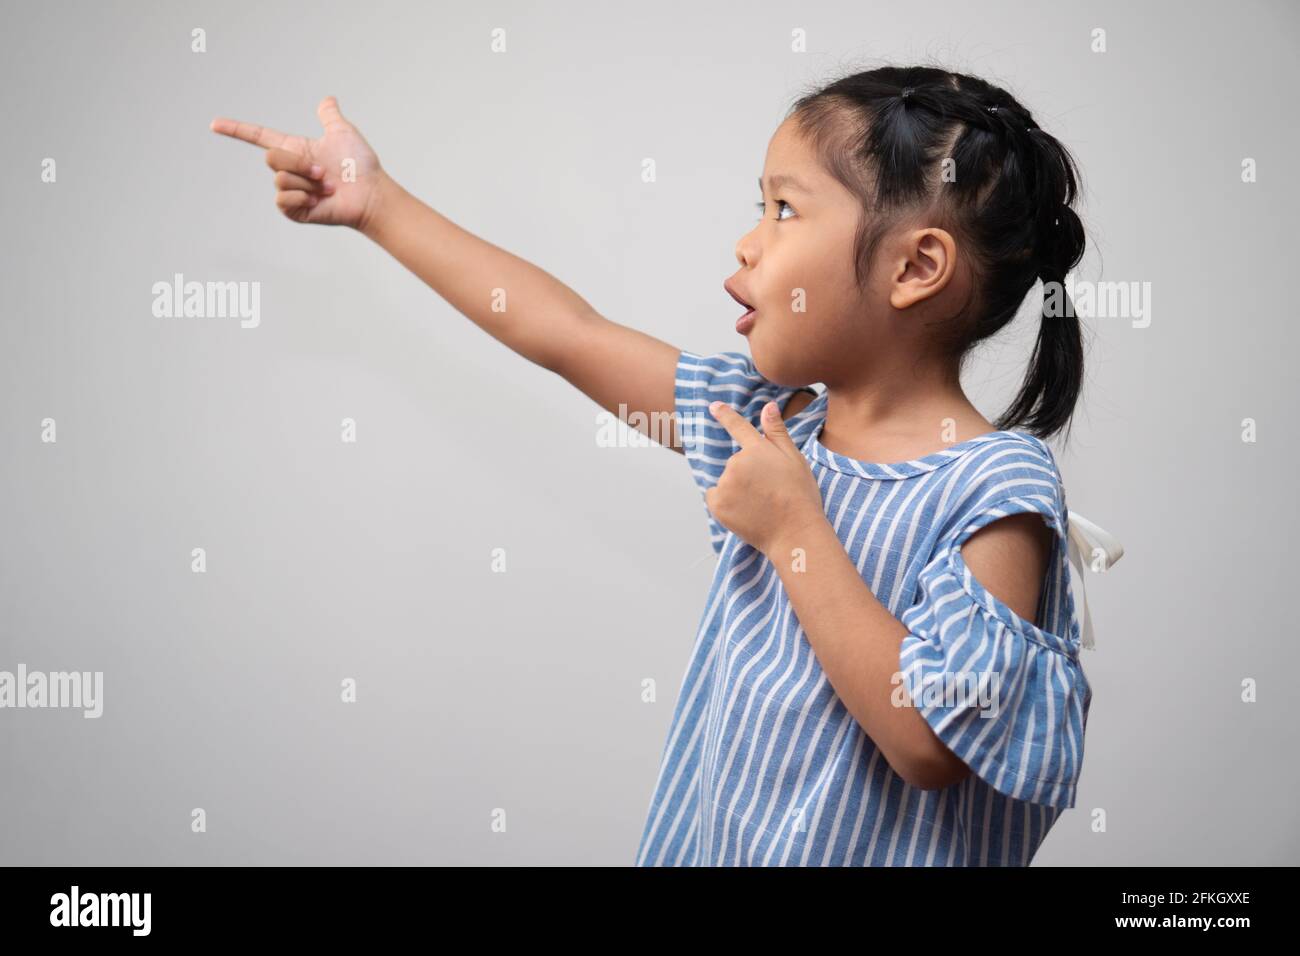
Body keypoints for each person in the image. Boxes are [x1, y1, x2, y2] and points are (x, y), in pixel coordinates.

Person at [211, 64, 1098, 866]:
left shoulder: (994, 489)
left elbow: (929, 742)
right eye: (759, 208)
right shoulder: (774, 421)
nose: (748, 244)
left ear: (916, 268)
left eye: (784, 210)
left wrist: (795, 530)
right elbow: (568, 334)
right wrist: (377, 205)